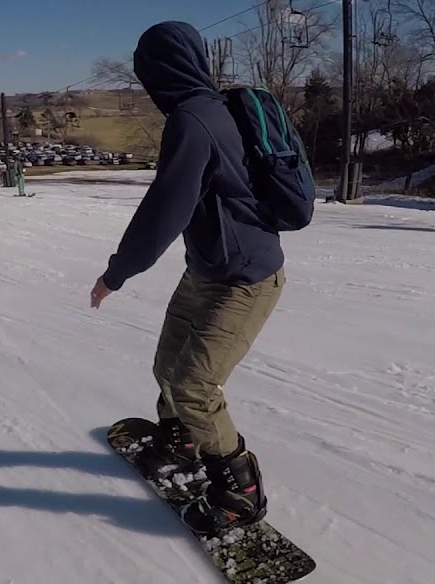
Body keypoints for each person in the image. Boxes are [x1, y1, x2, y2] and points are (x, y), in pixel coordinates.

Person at [88, 20, 289, 535]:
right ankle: (182, 441)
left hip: (244, 279)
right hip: (208, 269)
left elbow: (163, 212)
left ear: (160, 71)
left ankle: (240, 490)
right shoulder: (211, 110)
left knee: (195, 385)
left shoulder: (193, 121)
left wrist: (116, 274)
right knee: (167, 365)